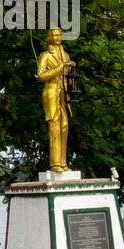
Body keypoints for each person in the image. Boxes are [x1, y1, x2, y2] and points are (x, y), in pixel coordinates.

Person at [37, 27, 74, 172]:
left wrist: (69, 70)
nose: (58, 37)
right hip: (51, 93)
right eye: (54, 35)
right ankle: (55, 163)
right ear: (49, 38)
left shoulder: (65, 54)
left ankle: (63, 163)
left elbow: (67, 77)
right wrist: (60, 68)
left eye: (59, 35)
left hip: (63, 95)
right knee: (54, 126)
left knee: (64, 126)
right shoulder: (45, 55)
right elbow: (41, 76)